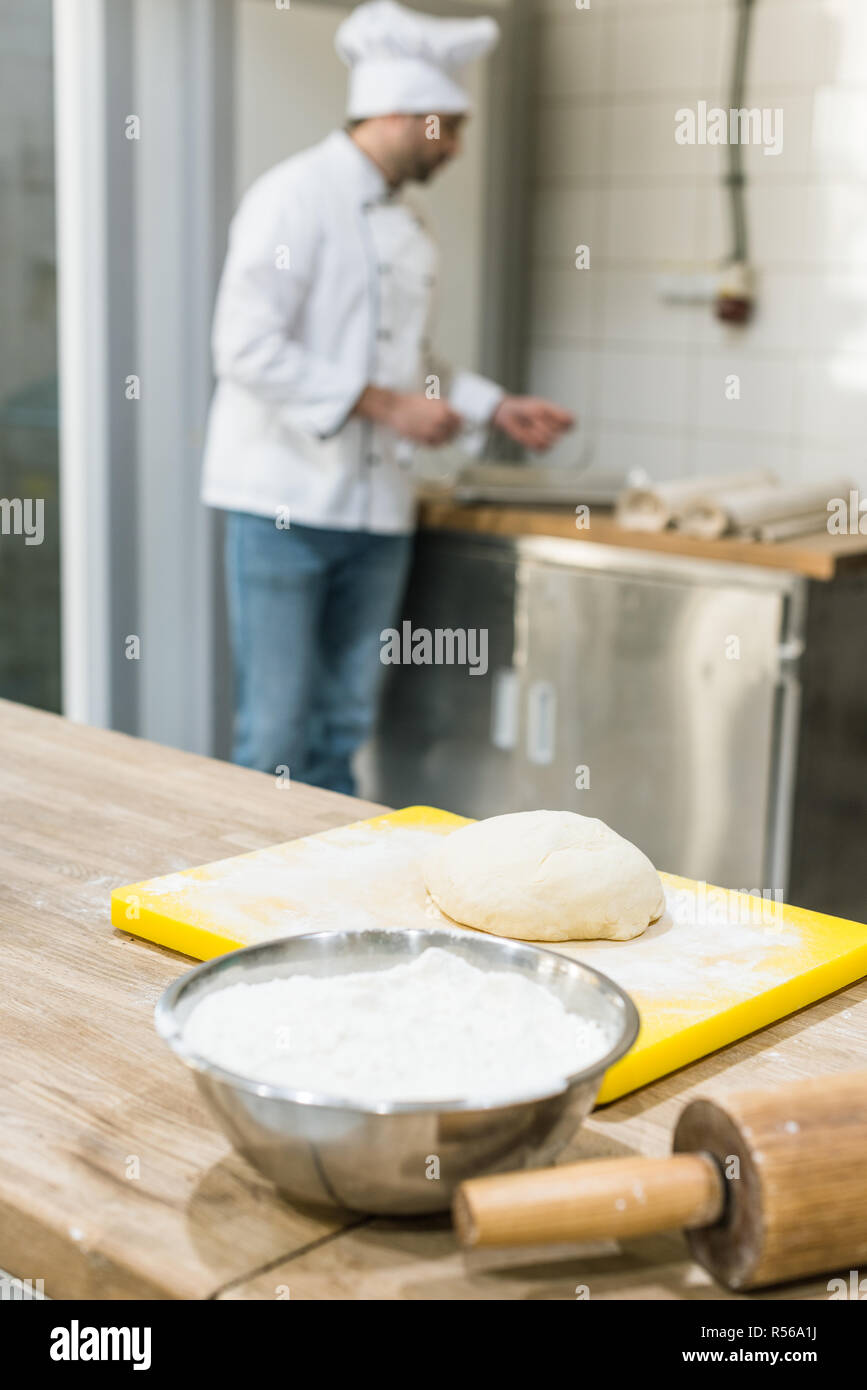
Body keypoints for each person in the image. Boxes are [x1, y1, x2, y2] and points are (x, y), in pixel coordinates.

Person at [201, 0, 574, 795]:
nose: (456, 148)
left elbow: (410, 362)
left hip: (378, 514)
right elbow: (243, 348)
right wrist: (385, 405)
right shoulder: (291, 197)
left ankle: (326, 910)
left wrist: (490, 406)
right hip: (284, 505)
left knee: (342, 730)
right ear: (404, 115)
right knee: (272, 735)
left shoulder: (412, 225)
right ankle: (248, 911)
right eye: (449, 127)